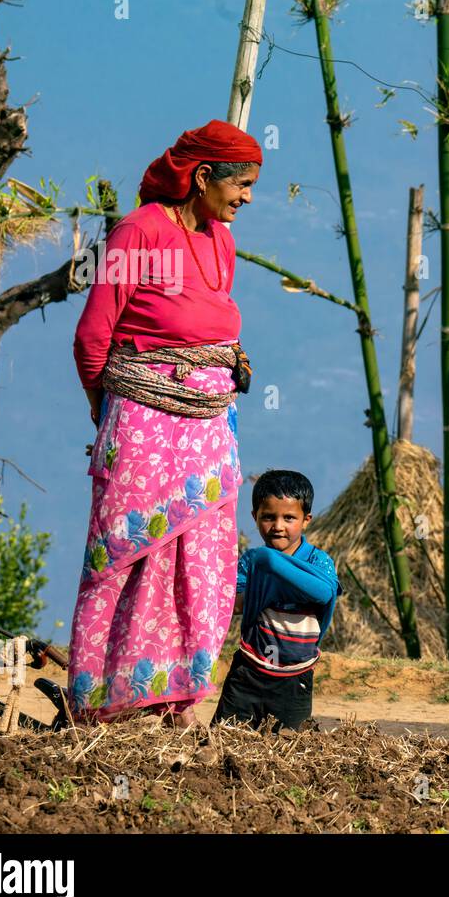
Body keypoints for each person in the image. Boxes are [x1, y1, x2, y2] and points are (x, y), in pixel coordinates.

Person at [68, 119, 262, 726]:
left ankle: (176, 697)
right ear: (203, 177)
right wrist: (112, 411)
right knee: (125, 555)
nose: (248, 197)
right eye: (243, 184)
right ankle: (104, 701)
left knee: (199, 561)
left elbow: (212, 322)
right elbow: (94, 335)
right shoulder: (137, 231)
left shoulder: (220, 239)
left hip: (208, 423)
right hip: (142, 423)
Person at [213, 470, 342, 732]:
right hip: (248, 671)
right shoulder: (251, 561)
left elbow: (324, 594)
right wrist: (270, 581)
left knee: (287, 749)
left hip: (296, 678)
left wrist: (270, 566)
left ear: (306, 520)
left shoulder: (318, 561)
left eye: (289, 518)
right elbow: (235, 605)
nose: (278, 526)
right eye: (268, 517)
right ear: (255, 517)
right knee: (224, 739)